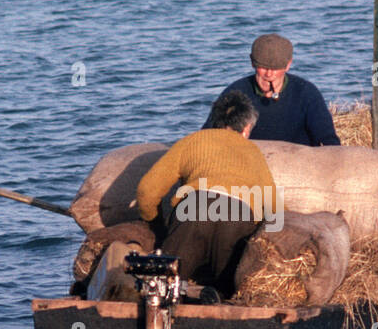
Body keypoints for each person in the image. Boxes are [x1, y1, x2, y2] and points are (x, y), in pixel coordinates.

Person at [136, 92, 281, 298]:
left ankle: (177, 300)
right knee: (231, 292)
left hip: (193, 210)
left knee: (163, 287)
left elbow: (146, 190)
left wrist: (157, 226)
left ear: (215, 119)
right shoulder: (253, 152)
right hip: (238, 217)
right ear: (247, 128)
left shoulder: (192, 141)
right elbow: (274, 210)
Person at [207, 33, 340, 146]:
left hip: (298, 169)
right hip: (249, 167)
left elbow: (329, 142)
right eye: (263, 67)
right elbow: (205, 140)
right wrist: (202, 178)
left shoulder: (306, 93)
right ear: (252, 63)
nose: (269, 74)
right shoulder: (233, 95)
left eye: (276, 68)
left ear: (288, 65)